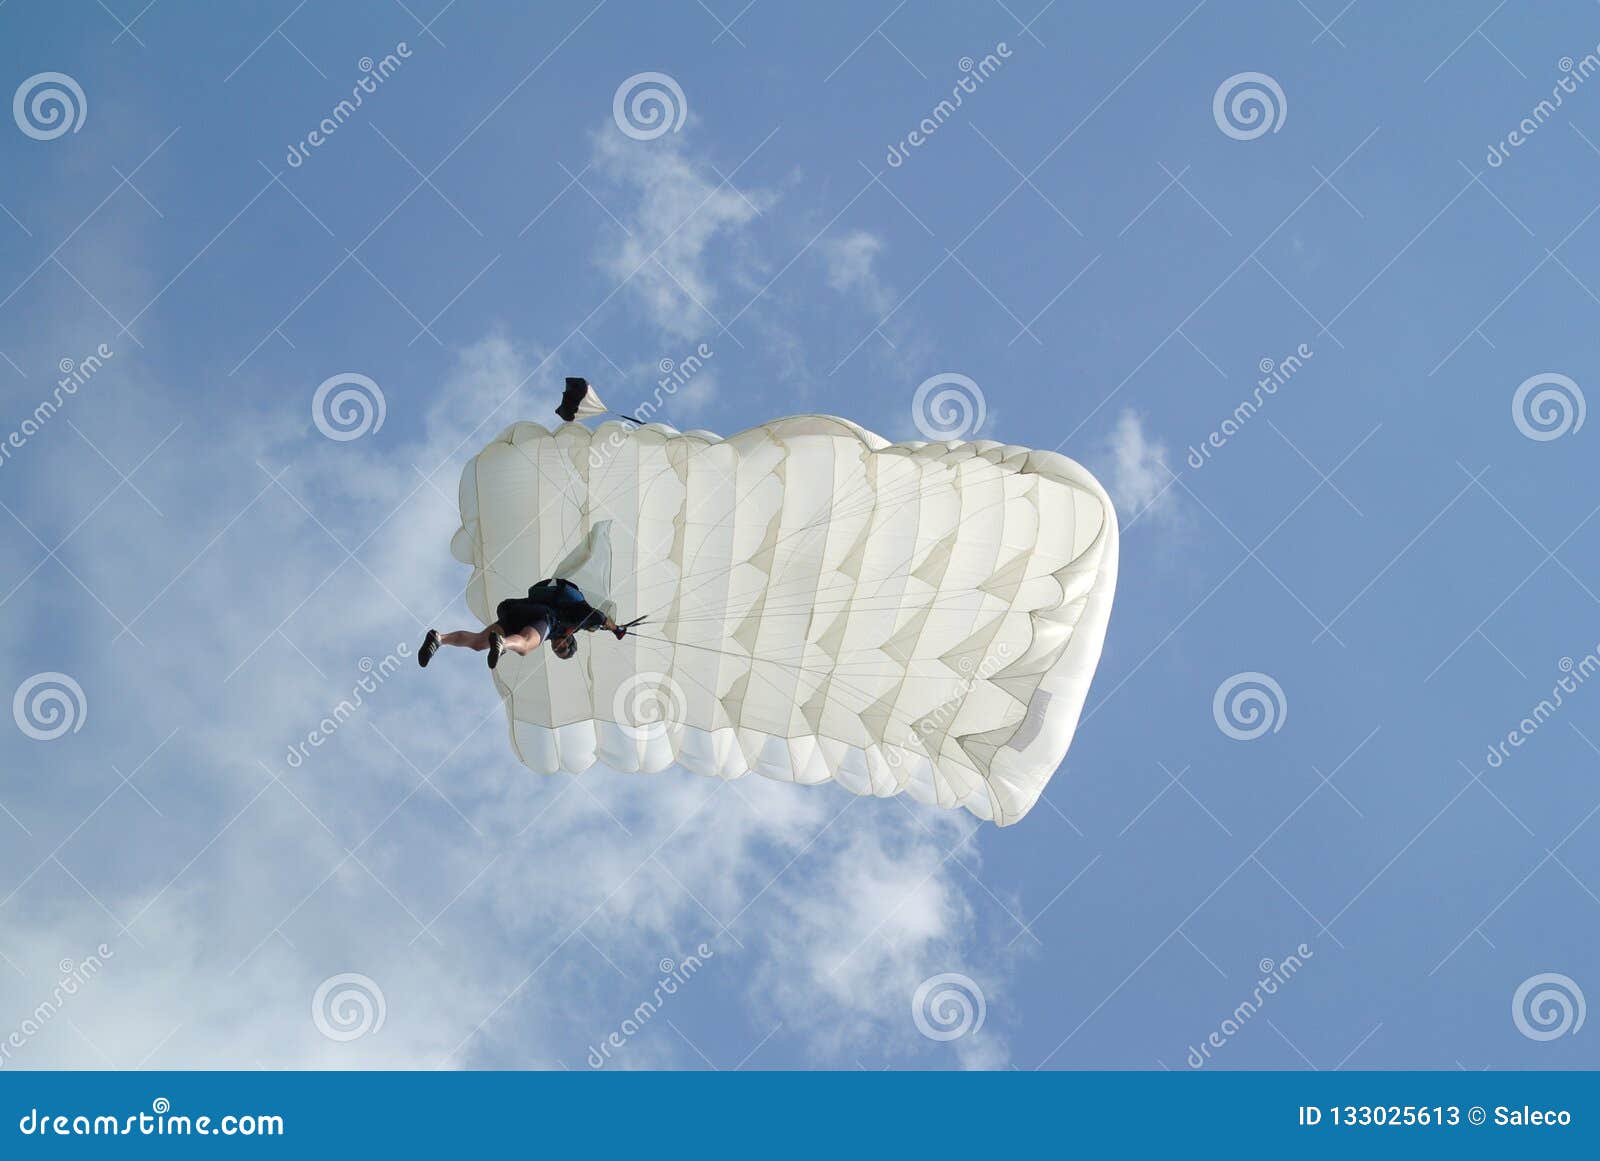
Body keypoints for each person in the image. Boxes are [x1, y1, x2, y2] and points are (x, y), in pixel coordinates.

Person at [418, 578, 631, 670]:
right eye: (563, 647)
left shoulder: (559, 630)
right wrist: (615, 629)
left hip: (514, 611)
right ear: (570, 640)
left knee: (478, 642)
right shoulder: (572, 622)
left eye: (557, 651)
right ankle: (503, 644)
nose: (557, 647)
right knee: (526, 646)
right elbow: (600, 617)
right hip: (542, 615)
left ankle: (439, 638)